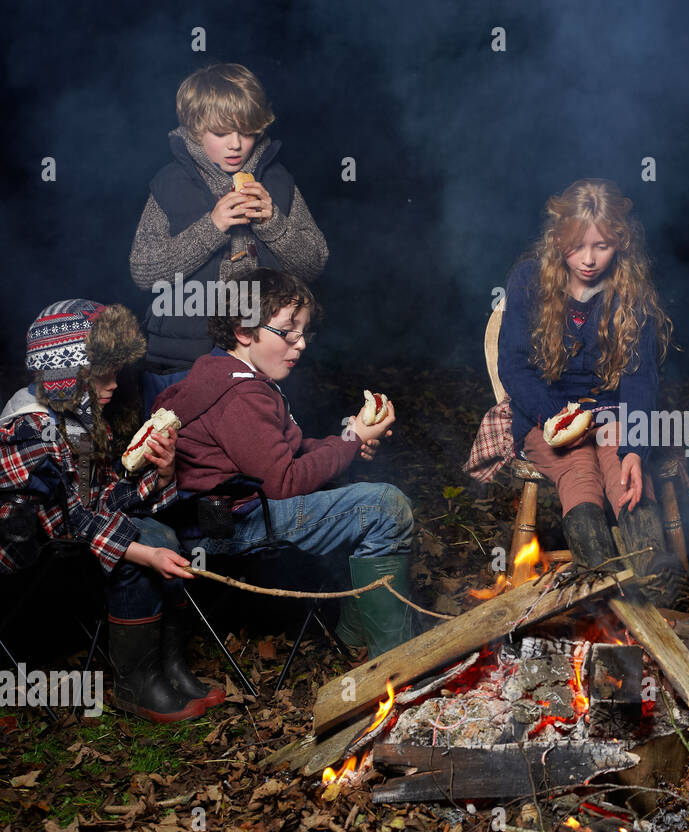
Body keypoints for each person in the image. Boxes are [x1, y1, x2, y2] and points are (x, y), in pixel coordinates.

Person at [154, 270, 415, 657]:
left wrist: (348, 442)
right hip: (229, 524)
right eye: (288, 332)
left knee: (367, 500)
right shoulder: (240, 393)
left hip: (233, 509)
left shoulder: (221, 371)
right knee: (385, 508)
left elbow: (281, 453)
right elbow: (282, 482)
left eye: (305, 333)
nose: (301, 344)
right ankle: (398, 659)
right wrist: (353, 440)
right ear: (244, 330)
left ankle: (355, 638)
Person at [1, 300, 219, 722]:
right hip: (24, 549)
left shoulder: (78, 420)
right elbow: (66, 522)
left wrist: (159, 474)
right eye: (105, 372)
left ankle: (168, 666)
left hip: (67, 535)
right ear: (68, 375)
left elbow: (96, 501)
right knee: (151, 543)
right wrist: (144, 553)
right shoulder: (29, 428)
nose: (116, 384)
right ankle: (136, 686)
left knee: (158, 534)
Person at [489, 179, 684, 603]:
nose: (589, 260)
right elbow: (515, 367)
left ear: (622, 242)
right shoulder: (527, 280)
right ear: (558, 238)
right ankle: (601, 574)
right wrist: (556, 416)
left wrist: (634, 447)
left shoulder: (630, 292)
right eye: (577, 246)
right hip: (547, 415)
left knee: (622, 469)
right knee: (577, 469)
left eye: (602, 246)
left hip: (612, 411)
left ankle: (656, 575)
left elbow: (639, 378)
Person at [130, 63, 328, 410]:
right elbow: (144, 272)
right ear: (194, 128)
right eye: (221, 133)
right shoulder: (170, 183)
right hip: (181, 361)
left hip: (259, 359)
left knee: (259, 457)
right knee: (175, 457)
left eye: (247, 132)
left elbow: (314, 264)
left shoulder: (279, 181)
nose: (236, 145)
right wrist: (212, 227)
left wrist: (273, 224)